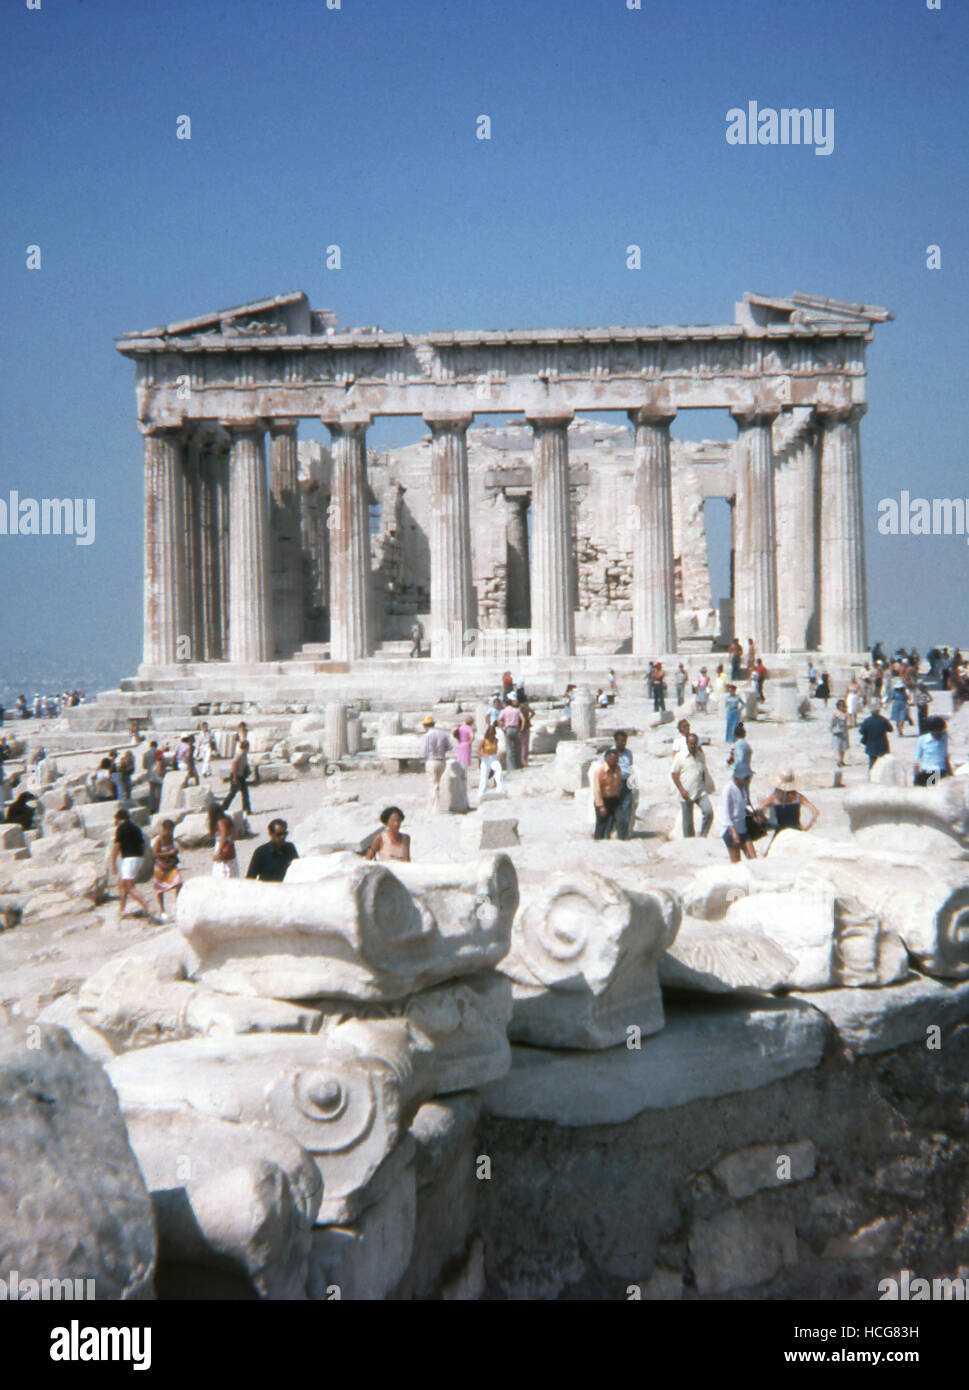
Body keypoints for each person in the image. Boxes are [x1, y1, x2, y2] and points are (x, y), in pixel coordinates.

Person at [758, 771, 818, 855]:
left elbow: (759, 809)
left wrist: (766, 820)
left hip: (780, 831)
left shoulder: (774, 798)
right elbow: (815, 812)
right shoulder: (798, 797)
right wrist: (807, 827)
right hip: (796, 830)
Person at [111, 808, 153, 922]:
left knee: (129, 887)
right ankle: (122, 910)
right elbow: (143, 844)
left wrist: (113, 862)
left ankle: (147, 906)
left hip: (128, 859)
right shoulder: (137, 828)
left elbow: (117, 846)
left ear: (119, 819)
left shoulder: (121, 829)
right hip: (137, 858)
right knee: (121, 883)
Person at [671, 732, 714, 838]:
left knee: (709, 812)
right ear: (687, 743)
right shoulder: (680, 756)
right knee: (688, 824)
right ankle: (689, 844)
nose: (693, 746)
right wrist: (681, 790)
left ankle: (703, 836)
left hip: (700, 791)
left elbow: (703, 770)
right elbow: (674, 774)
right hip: (686, 792)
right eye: (691, 744)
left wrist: (705, 785)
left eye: (695, 743)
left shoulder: (700, 755)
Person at [722, 769, 757, 863]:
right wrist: (733, 832)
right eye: (747, 779)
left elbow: (740, 808)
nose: (748, 781)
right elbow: (726, 813)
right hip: (731, 830)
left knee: (754, 860)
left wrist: (752, 815)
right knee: (736, 863)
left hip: (743, 829)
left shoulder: (743, 789)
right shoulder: (728, 789)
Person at [151, 820, 183, 919]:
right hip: (161, 866)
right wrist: (168, 853)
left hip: (171, 865)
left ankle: (177, 905)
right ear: (164, 829)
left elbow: (174, 847)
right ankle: (162, 910)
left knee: (178, 883)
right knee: (160, 889)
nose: (171, 832)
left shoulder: (171, 838)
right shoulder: (159, 840)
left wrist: (175, 851)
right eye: (169, 830)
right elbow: (155, 854)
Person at [420, 715, 451, 811]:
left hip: (432, 761)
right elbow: (449, 747)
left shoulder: (427, 736)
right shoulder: (443, 734)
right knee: (439, 784)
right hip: (442, 761)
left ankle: (435, 806)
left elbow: (423, 751)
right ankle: (439, 804)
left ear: (425, 725)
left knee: (433, 784)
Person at [592, 748, 623, 840]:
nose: (614, 762)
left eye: (616, 760)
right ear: (606, 759)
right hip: (603, 800)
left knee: (615, 822)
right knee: (601, 824)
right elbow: (597, 789)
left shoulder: (618, 769)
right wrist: (601, 806)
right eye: (612, 760)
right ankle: (598, 842)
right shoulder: (600, 771)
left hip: (614, 800)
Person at [609, 730, 635, 840]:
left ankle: (624, 833)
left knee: (626, 808)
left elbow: (631, 768)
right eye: (621, 741)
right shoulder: (610, 753)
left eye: (625, 741)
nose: (623, 743)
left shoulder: (628, 753)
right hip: (614, 783)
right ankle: (615, 832)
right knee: (616, 809)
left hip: (626, 783)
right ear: (615, 741)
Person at [914, 716, 952, 786]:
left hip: (941, 771)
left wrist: (950, 772)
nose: (939, 733)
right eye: (937, 731)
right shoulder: (922, 740)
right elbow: (917, 759)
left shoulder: (944, 738)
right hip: (927, 772)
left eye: (941, 731)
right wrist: (916, 777)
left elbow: (945, 755)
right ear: (931, 731)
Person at [859, 704, 893, 773]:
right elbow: (890, 729)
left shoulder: (866, 721)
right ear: (879, 712)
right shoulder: (883, 720)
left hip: (871, 744)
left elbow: (861, 731)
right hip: (882, 744)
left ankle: (872, 775)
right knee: (883, 761)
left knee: (872, 761)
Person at [222, 740, 252, 815]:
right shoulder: (240, 753)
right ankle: (223, 808)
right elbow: (234, 764)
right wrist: (235, 777)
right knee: (232, 793)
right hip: (236, 776)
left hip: (241, 776)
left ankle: (246, 809)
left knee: (245, 793)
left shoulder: (244, 754)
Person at [726, 721, 752, 796]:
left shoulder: (738, 744)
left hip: (740, 772)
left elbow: (740, 758)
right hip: (747, 770)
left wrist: (734, 766)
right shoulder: (747, 745)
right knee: (745, 793)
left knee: (737, 793)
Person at [497, 696, 523, 770]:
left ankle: (511, 767)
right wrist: (521, 728)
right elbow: (523, 719)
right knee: (517, 748)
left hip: (508, 729)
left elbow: (499, 720)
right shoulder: (516, 710)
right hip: (515, 729)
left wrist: (502, 728)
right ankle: (518, 765)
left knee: (509, 749)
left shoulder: (504, 711)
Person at [478, 723, 504, 795]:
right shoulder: (483, 741)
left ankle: (500, 790)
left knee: (499, 771)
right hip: (485, 759)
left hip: (494, 757)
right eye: (490, 735)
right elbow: (478, 751)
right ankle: (481, 792)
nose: (491, 736)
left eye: (493, 734)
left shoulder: (496, 740)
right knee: (484, 775)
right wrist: (483, 754)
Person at [212, 814, 239, 878]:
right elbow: (235, 835)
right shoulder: (228, 819)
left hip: (223, 850)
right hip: (229, 849)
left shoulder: (221, 821)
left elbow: (223, 838)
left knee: (223, 871)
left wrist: (218, 852)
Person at [830, 700, 849, 767]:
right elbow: (833, 722)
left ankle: (842, 760)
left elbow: (847, 722)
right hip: (837, 731)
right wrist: (832, 729)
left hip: (844, 731)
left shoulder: (845, 713)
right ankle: (838, 760)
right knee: (837, 746)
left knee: (843, 746)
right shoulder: (835, 713)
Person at [519, 697, 532, 767]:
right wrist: (529, 719)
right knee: (525, 744)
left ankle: (523, 760)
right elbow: (533, 713)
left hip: (521, 727)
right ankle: (525, 760)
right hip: (526, 726)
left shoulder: (519, 708)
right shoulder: (527, 708)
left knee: (521, 744)